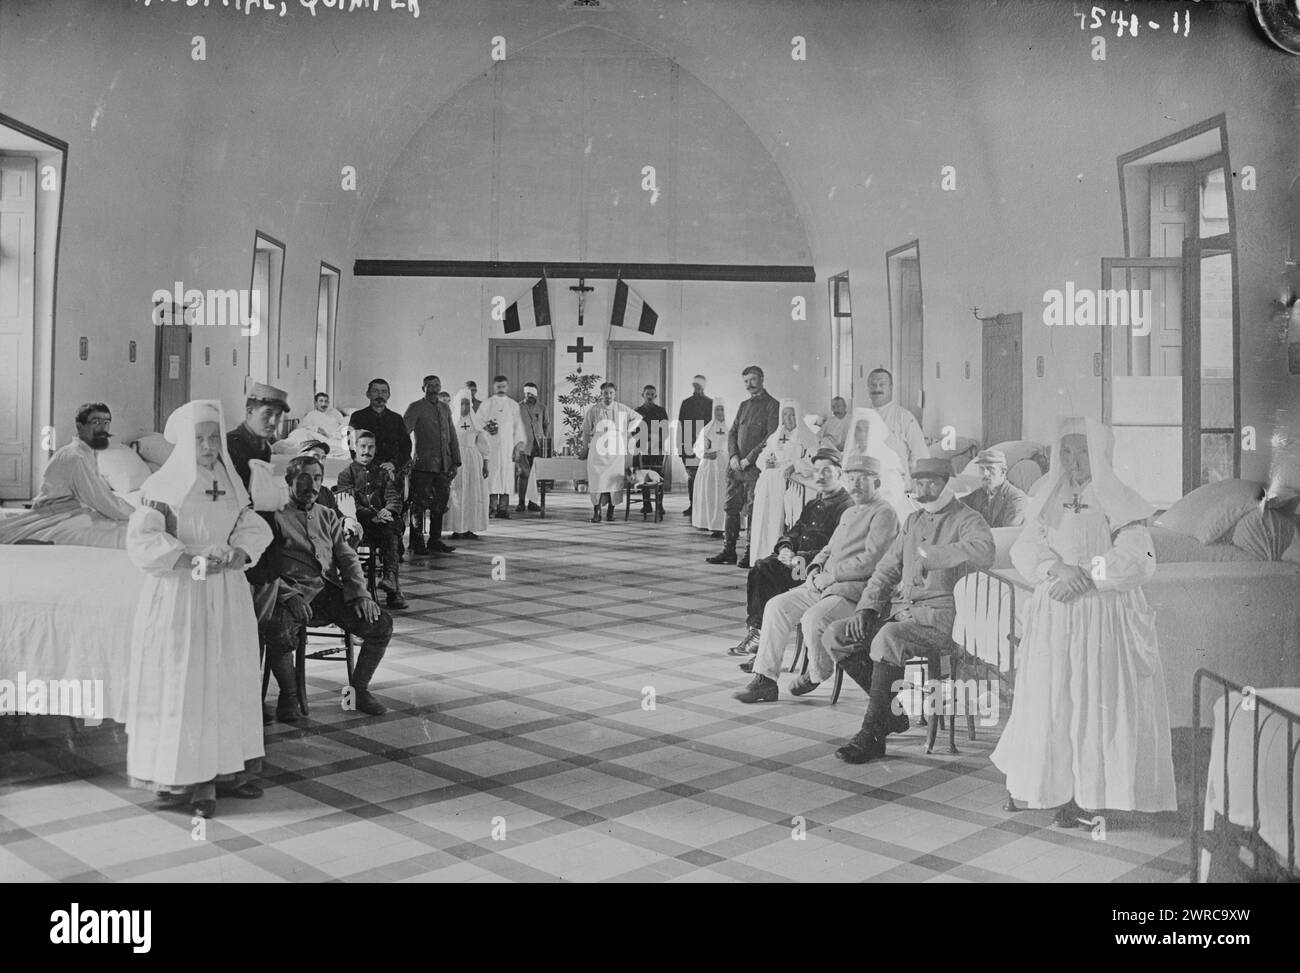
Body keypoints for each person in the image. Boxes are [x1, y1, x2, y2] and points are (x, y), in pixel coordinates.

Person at [991, 418, 1176, 826]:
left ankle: (1096, 796)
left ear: (1101, 453)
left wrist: (1087, 576)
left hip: (1102, 615)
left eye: (1083, 451)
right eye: (1068, 451)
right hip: (1056, 613)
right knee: (1056, 698)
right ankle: (1054, 788)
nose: (1075, 461)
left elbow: (1138, 559)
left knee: (1095, 698)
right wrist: (1057, 569)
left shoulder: (1120, 498)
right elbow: (1025, 548)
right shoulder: (1047, 494)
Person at [124, 400, 273, 820]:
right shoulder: (161, 487)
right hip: (182, 593)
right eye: (199, 439)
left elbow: (249, 523)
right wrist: (191, 560)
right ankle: (187, 778)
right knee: (187, 682)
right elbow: (143, 539)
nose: (208, 447)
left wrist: (240, 552)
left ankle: (228, 770)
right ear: (185, 444)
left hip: (225, 592)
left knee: (225, 678)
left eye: (214, 438)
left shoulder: (230, 480)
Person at [824, 457, 995, 764]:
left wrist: (937, 555)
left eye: (932, 483)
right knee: (836, 634)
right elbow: (886, 569)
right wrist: (867, 608)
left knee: (889, 637)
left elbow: (985, 550)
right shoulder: (913, 521)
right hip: (905, 613)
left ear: (947, 484)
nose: (924, 489)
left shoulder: (967, 518)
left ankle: (872, 735)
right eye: (919, 482)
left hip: (944, 619)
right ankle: (892, 713)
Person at [735, 455, 900, 702]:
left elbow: (871, 560)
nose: (854, 485)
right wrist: (815, 567)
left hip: (852, 591)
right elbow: (829, 548)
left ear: (876, 482)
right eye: (851, 479)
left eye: (862, 480)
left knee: (814, 619)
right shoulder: (852, 511)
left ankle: (816, 674)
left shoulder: (884, 512)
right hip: (825, 585)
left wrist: (830, 576)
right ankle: (765, 680)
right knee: (776, 606)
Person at [263, 455, 393, 720]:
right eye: (304, 478)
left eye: (318, 478)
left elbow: (347, 557)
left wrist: (360, 594)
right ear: (289, 480)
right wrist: (289, 596)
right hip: (291, 594)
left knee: (381, 625)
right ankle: (288, 697)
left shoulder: (328, 515)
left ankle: (358, 691)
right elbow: (266, 565)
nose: (312, 485)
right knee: (278, 629)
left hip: (327, 591)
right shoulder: (273, 516)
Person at [730, 448, 854, 659]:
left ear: (840, 474)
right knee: (762, 567)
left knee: (765, 570)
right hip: (798, 564)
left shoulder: (846, 507)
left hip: (818, 571)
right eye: (816, 471)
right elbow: (793, 532)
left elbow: (837, 551)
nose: (820, 476)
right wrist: (786, 548)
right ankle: (759, 635)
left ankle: (762, 640)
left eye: (827, 471)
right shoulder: (814, 503)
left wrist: (801, 558)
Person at [0, 402, 134, 547]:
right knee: (125, 535)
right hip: (58, 516)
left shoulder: (86, 452)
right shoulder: (75, 457)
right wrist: (137, 515)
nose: (103, 428)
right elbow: (102, 500)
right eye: (95, 422)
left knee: (123, 528)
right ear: (79, 426)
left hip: (71, 512)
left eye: (106, 422)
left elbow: (100, 496)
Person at [707, 365, 780, 566]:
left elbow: (770, 436)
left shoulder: (773, 405)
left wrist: (750, 458)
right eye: (746, 381)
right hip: (736, 467)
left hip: (754, 469)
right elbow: (732, 432)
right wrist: (733, 456)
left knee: (752, 509)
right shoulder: (743, 405)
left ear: (762, 379)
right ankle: (728, 551)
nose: (749, 385)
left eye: (753, 380)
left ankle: (750, 553)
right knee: (731, 508)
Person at [336, 429, 406, 609]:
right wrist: (373, 516)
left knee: (391, 527)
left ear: (375, 449)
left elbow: (393, 496)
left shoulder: (381, 473)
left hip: (384, 521)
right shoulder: (346, 474)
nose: (366, 451)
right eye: (363, 446)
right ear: (355, 448)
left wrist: (388, 511)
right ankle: (393, 589)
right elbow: (348, 503)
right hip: (361, 523)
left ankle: (391, 580)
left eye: (371, 447)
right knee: (391, 531)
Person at [747, 399, 818, 567]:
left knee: (778, 521)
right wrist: (766, 461)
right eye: (785, 415)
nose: (788, 418)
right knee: (764, 519)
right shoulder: (775, 436)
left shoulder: (807, 436)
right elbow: (761, 457)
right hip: (768, 483)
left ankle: (776, 559)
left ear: (798, 416)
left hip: (785, 484)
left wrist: (795, 465)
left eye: (792, 414)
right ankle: (760, 556)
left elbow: (813, 460)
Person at [403, 374, 462, 555]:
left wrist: (456, 461)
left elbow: (452, 434)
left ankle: (435, 540)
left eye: (437, 385)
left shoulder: (445, 408)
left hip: (444, 465)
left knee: (440, 503)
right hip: (423, 465)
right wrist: (405, 459)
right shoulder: (416, 407)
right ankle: (416, 542)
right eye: (430, 385)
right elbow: (404, 433)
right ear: (423, 388)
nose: (434, 388)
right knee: (418, 504)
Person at [581, 381, 641, 523]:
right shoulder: (593, 410)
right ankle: (597, 513)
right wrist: (585, 448)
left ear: (615, 394)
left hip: (615, 451)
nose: (608, 396)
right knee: (597, 481)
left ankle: (610, 513)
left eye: (611, 393)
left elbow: (638, 418)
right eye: (605, 393)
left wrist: (626, 430)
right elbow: (585, 431)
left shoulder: (622, 408)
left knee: (614, 481)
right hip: (598, 451)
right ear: (601, 394)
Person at [844, 406, 912, 523]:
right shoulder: (853, 454)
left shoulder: (886, 456)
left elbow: (893, 494)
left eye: (866, 429)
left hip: (880, 513)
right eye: (858, 429)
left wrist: (870, 511)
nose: (861, 434)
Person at [226, 382, 290, 489]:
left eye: (278, 415)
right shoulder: (229, 444)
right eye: (268, 413)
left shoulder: (265, 448)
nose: (273, 422)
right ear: (250, 411)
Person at [479, 374, 526, 519]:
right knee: (492, 477)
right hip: (491, 447)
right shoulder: (486, 404)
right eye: (498, 387)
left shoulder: (513, 405)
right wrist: (486, 427)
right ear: (493, 387)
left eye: (503, 386)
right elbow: (479, 422)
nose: (501, 389)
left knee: (506, 477)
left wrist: (518, 447)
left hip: (507, 447)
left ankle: (503, 509)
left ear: (507, 387)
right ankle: (491, 508)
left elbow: (518, 427)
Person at [865, 368, 928, 472]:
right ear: (868, 388)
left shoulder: (904, 417)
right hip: (868, 481)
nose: (877, 389)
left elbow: (921, 455)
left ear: (891, 387)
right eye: (873, 385)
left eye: (882, 384)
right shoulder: (863, 416)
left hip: (898, 483)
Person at [448, 388, 490, 540]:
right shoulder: (452, 421)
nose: (464, 407)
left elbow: (483, 444)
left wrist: (485, 463)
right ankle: (457, 528)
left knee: (472, 494)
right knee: (457, 494)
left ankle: (470, 527)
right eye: (462, 404)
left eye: (467, 404)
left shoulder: (476, 421)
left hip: (473, 460)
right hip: (456, 460)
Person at [347, 378, 412, 478]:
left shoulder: (396, 418)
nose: (380, 395)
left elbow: (406, 446)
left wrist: (393, 464)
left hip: (393, 471)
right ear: (368, 394)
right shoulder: (358, 417)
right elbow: (353, 447)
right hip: (367, 472)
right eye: (376, 391)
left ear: (388, 395)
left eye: (383, 392)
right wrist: (376, 467)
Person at [959, 448, 1028, 528]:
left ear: (1003, 471)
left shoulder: (1015, 498)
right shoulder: (974, 497)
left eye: (990, 468)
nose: (985, 474)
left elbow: (1008, 534)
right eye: (982, 469)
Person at [691, 397, 728, 536]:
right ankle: (708, 523)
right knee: (710, 495)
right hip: (709, 467)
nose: (719, 412)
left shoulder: (730, 429)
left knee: (722, 495)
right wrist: (705, 454)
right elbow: (697, 448)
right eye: (717, 409)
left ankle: (722, 524)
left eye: (722, 409)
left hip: (724, 466)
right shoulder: (707, 429)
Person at [678, 374, 713, 517]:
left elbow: (713, 426)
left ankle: (704, 506)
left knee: (705, 476)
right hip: (689, 445)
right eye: (695, 385)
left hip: (705, 446)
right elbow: (680, 425)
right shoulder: (686, 403)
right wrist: (680, 447)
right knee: (692, 476)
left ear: (704, 386)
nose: (697, 388)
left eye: (700, 385)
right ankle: (693, 505)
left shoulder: (710, 403)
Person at [633, 384, 671, 517]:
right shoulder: (637, 411)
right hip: (641, 448)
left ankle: (659, 505)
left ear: (655, 396)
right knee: (642, 475)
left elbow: (665, 430)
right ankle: (646, 504)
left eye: (652, 394)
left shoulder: (661, 411)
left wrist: (652, 439)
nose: (649, 396)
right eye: (647, 394)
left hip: (657, 449)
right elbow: (633, 431)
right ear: (643, 395)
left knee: (657, 475)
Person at [516, 381, 548, 513]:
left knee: (535, 474)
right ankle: (521, 502)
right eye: (527, 393)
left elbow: (546, 425)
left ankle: (533, 502)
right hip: (523, 445)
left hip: (538, 445)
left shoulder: (541, 407)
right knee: (524, 473)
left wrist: (545, 441)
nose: (529, 396)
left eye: (532, 393)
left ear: (536, 394)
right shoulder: (518, 407)